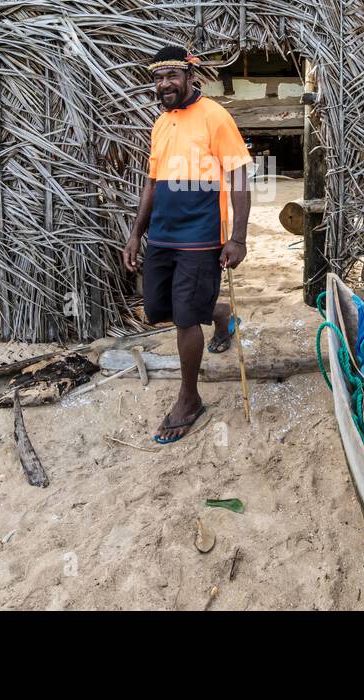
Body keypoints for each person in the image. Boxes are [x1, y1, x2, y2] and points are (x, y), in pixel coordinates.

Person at [121, 45, 252, 444]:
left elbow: (241, 176)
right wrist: (136, 231)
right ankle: (220, 313)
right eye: (158, 79)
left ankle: (189, 398)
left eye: (172, 77)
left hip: (200, 234)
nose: (164, 85)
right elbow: (152, 183)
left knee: (183, 320)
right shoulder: (161, 123)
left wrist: (238, 239)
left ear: (189, 77)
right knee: (158, 308)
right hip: (162, 233)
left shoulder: (215, 116)